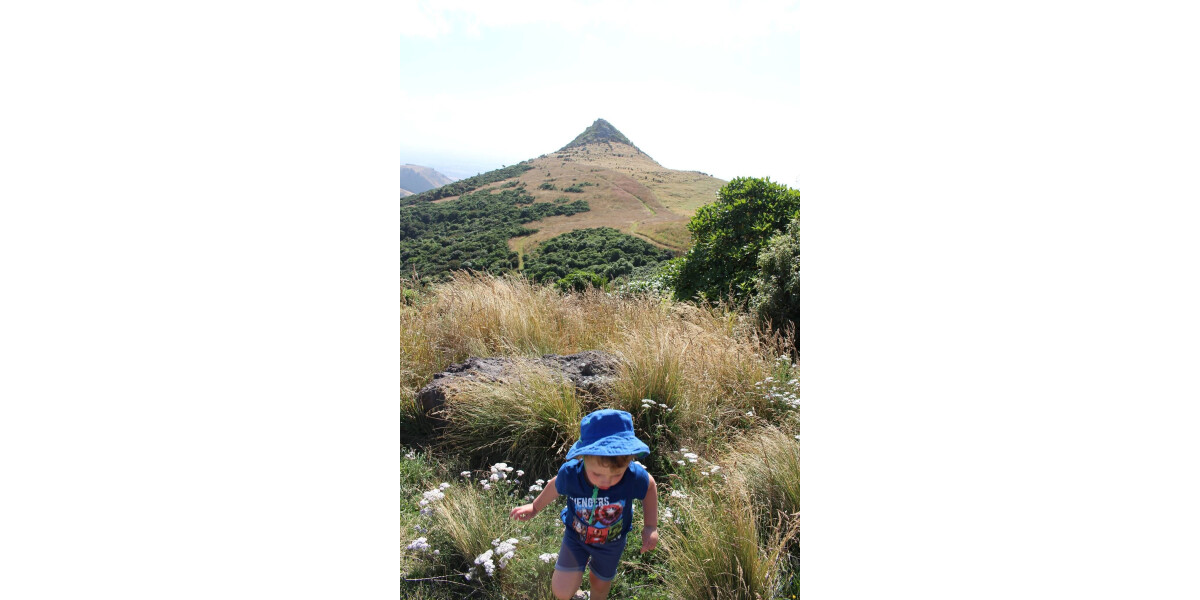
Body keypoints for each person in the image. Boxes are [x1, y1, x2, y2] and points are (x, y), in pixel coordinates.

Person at [510, 409, 659, 600]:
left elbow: (650, 486)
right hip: (576, 537)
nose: (606, 482)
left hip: (611, 542)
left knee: (600, 584)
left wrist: (650, 526)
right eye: (597, 474)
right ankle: (576, 588)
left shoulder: (632, 476)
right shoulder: (572, 474)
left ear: (628, 461)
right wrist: (535, 507)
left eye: (616, 475)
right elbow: (555, 485)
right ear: (583, 457)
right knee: (562, 591)